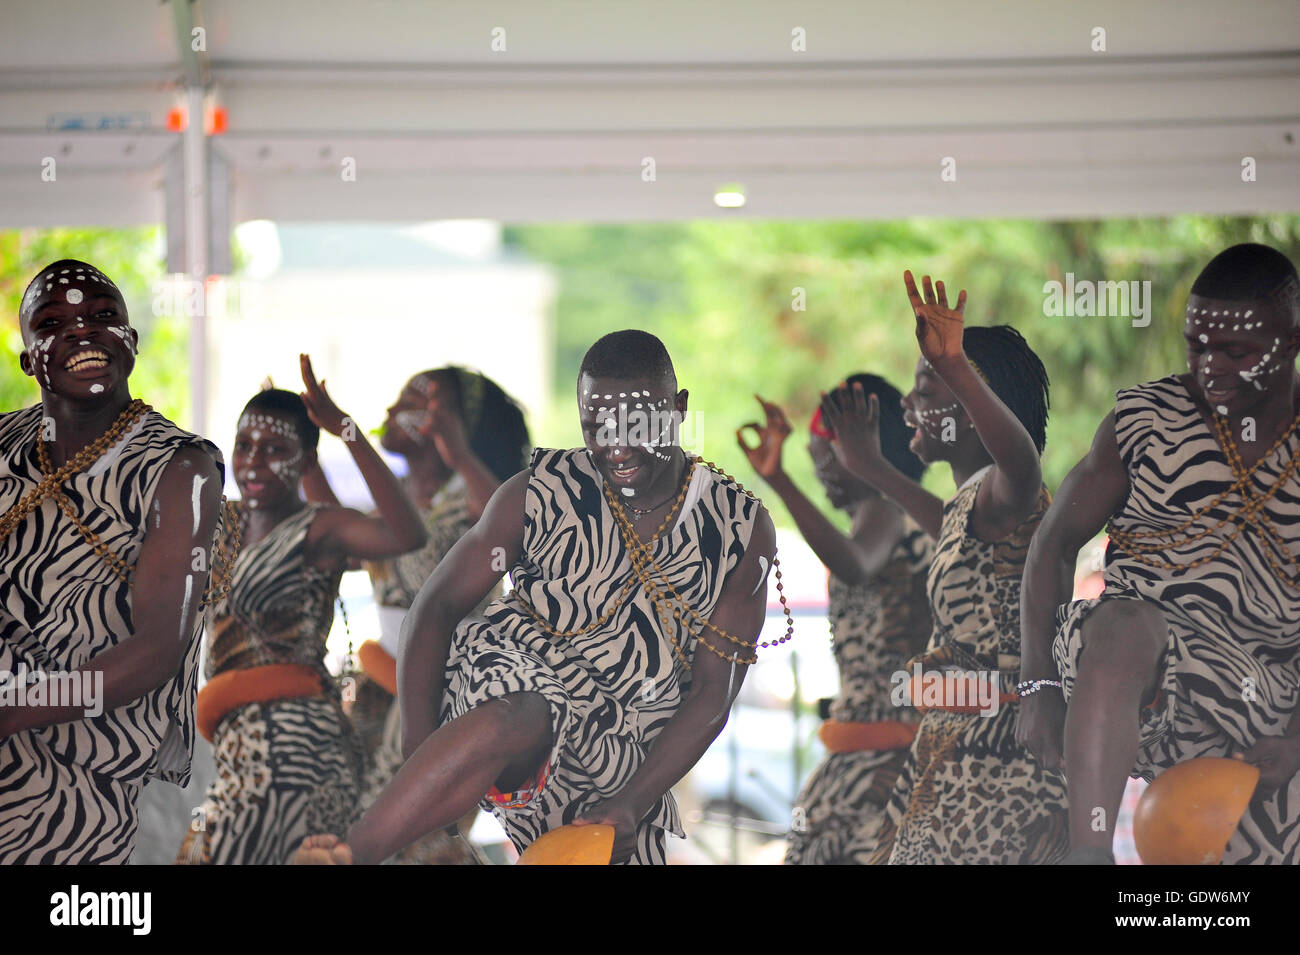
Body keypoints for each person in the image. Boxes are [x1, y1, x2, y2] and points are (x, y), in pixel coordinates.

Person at [294, 329, 781, 865]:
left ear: (679, 407)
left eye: (637, 424)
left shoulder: (740, 528)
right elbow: (436, 606)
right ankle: (348, 854)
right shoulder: (539, 491)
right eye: (597, 426)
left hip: (624, 759)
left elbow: (713, 692)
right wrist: (418, 743)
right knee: (523, 707)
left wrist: (633, 801)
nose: (617, 446)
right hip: (513, 688)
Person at [1019, 243, 1300, 864]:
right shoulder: (1145, 419)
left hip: (1265, 701)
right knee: (1122, 623)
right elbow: (1053, 543)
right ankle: (1089, 855)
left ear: (1292, 341)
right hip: (1134, 665)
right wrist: (1037, 683)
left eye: (1236, 352)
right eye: (1196, 346)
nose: (1210, 367)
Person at [823, 271, 1069, 864]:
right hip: (955, 749)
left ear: (973, 408)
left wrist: (954, 364)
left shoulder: (1008, 491)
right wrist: (871, 466)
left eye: (926, 392)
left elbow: (1024, 463)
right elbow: (946, 526)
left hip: (1000, 766)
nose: (908, 406)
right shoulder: (969, 504)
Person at [0, 259, 224, 863]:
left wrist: (12, 713)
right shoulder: (4, 444)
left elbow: (158, 648)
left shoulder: (180, 467)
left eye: (102, 315)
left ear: (132, 340)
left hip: (86, 779)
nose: (82, 331)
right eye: (53, 323)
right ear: (27, 359)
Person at [176, 356, 427, 864]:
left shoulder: (319, 529)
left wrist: (344, 429)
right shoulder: (220, 522)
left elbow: (407, 534)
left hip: (297, 746)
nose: (254, 462)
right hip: (239, 740)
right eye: (244, 446)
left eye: (276, 450)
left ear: (305, 460)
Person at [328, 367, 531, 864]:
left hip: (443, 698)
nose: (394, 408)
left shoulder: (474, 498)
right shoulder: (396, 497)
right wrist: (311, 447)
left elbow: (517, 532)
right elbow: (335, 533)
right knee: (358, 834)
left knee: (418, 843)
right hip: (380, 692)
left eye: (414, 400)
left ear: (457, 422)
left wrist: (457, 451)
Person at [736, 378, 933, 864]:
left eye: (822, 445)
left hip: (884, 766)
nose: (814, 456)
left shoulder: (886, 512)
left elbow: (856, 564)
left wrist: (781, 482)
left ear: (861, 446)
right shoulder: (884, 517)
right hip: (874, 758)